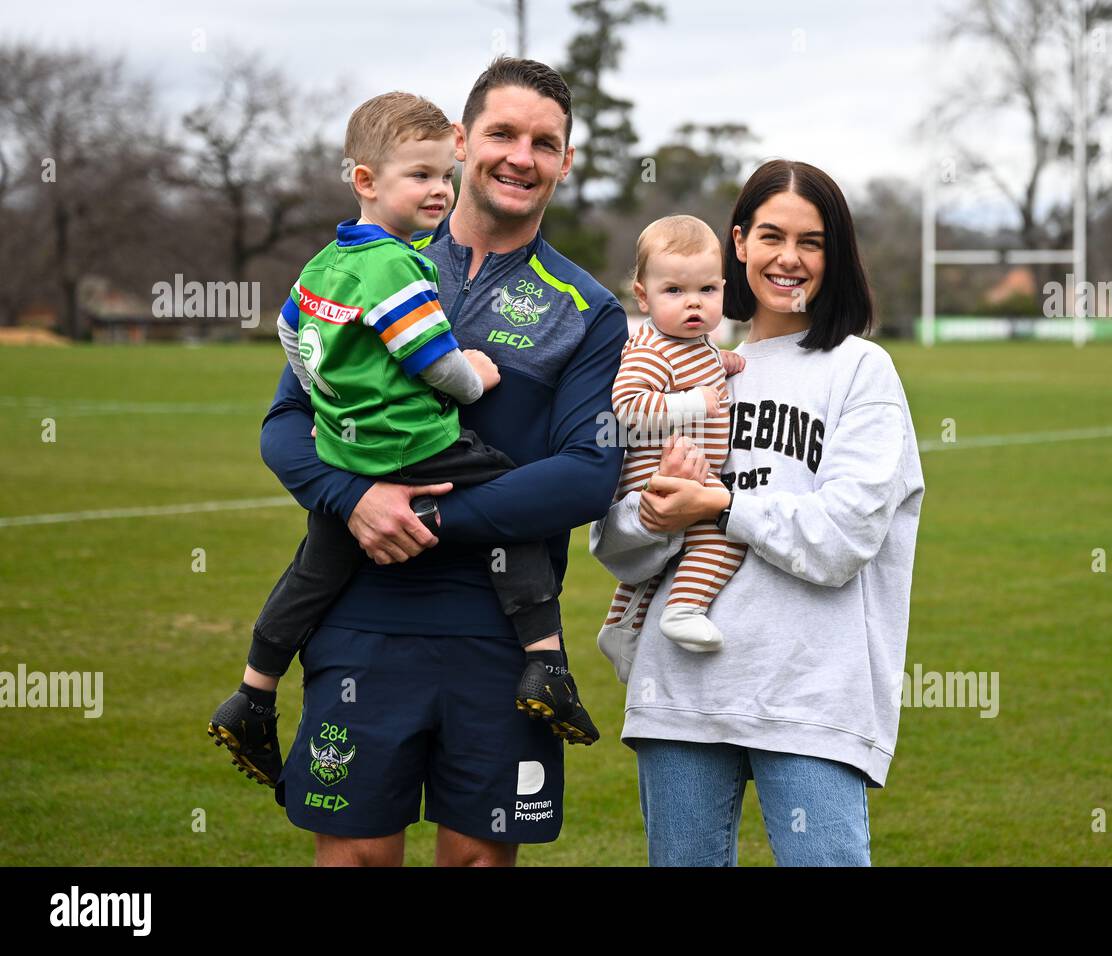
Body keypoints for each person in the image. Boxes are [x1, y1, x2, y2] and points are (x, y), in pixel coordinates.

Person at [256, 58, 627, 866]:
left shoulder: (588, 311)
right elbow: (285, 422)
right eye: (502, 133)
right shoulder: (368, 266)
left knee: (476, 861)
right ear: (462, 142)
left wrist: (423, 516)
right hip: (360, 614)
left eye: (545, 143)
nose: (521, 157)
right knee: (355, 858)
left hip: (500, 632)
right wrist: (353, 501)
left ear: (565, 163)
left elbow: (589, 473)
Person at [590, 159, 925, 866]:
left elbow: (842, 540)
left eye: (813, 242)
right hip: (679, 690)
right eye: (772, 236)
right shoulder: (688, 366)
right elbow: (614, 545)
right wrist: (655, 519)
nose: (790, 259)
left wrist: (720, 501)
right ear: (738, 242)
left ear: (835, 257)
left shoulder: (860, 371)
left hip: (810, 698)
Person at [599, 214, 747, 658]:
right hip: (662, 475)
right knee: (723, 538)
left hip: (688, 472)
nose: (693, 304)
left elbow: (698, 363)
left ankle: (620, 628)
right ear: (643, 297)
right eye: (675, 291)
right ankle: (684, 609)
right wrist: (692, 403)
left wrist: (724, 362)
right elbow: (628, 407)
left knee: (661, 564)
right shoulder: (649, 350)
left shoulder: (692, 343)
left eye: (707, 290)